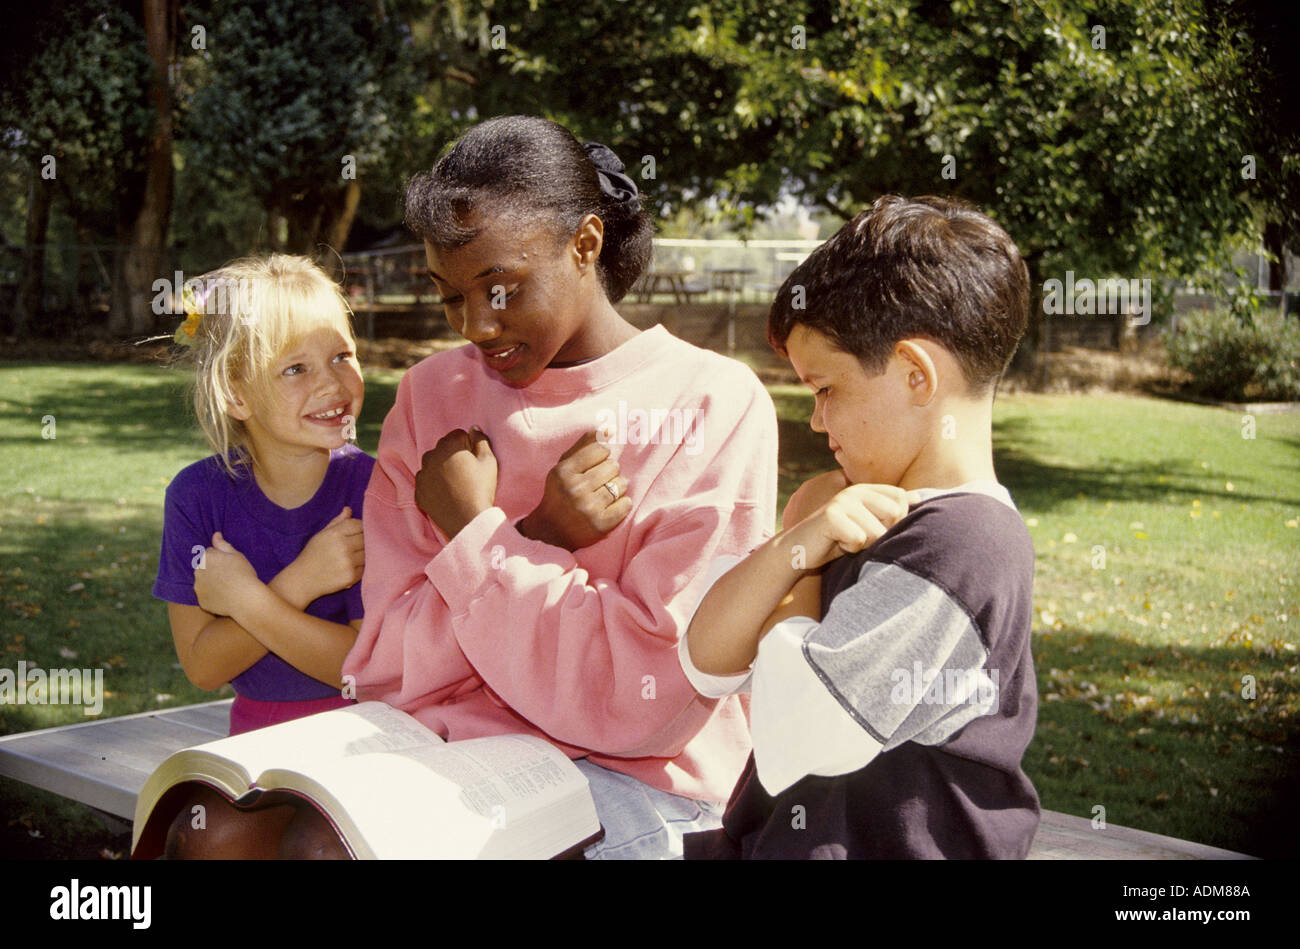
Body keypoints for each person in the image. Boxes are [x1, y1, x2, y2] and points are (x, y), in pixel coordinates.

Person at [341, 115, 779, 859]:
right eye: (451, 296)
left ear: (584, 244)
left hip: (640, 783)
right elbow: (386, 664)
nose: (478, 325)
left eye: (502, 287)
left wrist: (476, 533)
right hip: (442, 759)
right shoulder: (428, 397)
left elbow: (646, 695)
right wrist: (537, 536)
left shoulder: (712, 404)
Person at [680, 195, 1040, 859]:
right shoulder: (862, 508)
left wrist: (804, 547)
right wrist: (799, 539)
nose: (816, 421)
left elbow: (797, 734)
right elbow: (703, 662)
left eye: (825, 389)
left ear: (914, 375)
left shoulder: (965, 542)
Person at [150, 254, 372, 858]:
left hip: (369, 740)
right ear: (235, 393)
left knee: (321, 851)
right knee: (206, 839)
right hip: (254, 743)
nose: (332, 384)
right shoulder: (196, 496)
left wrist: (249, 598)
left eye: (342, 356)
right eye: (295, 368)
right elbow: (203, 666)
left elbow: (361, 669)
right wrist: (301, 583)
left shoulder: (375, 491)